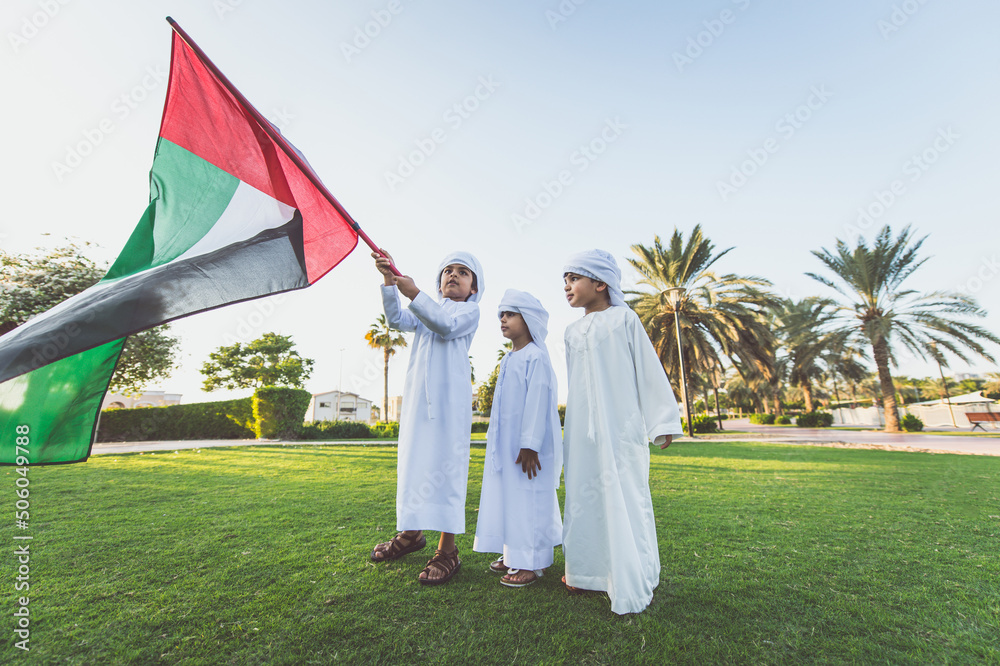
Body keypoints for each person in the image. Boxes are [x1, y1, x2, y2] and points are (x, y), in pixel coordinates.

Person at [561, 249, 683, 614]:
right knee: (583, 499)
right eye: (564, 280)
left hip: (620, 430)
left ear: (600, 283)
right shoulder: (570, 332)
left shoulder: (624, 319)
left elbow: (648, 370)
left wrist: (661, 421)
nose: (566, 286)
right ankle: (585, 573)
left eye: (574, 278)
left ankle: (629, 575)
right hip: (581, 435)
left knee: (624, 497)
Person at [369, 249, 484, 586]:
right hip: (418, 403)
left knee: (447, 467)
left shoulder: (469, 311)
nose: (453, 275)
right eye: (448, 270)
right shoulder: (425, 310)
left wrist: (414, 293)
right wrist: (389, 281)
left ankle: (447, 550)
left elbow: (445, 326)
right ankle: (411, 534)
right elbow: (395, 320)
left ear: (474, 287)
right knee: (414, 463)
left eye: (463, 272)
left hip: (450, 405)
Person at [473, 290, 563, 588]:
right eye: (501, 314)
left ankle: (531, 563)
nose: (503, 319)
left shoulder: (536, 356)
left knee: (529, 499)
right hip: (508, 447)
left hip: (529, 450)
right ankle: (513, 553)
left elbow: (538, 402)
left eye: (510, 314)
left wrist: (530, 444)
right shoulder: (508, 359)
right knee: (511, 499)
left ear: (529, 319)